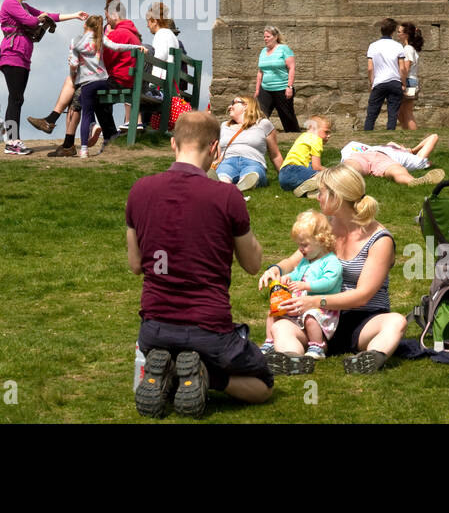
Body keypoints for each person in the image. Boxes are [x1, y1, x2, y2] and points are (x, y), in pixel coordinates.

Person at [127, 111, 274, 417]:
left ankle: (168, 369)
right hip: (209, 328)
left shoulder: (140, 190)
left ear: (172, 144)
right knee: (263, 384)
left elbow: (135, 264)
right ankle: (207, 374)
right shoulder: (227, 196)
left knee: (166, 341)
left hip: (154, 327)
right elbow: (252, 264)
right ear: (215, 149)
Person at [259, 163, 407, 374]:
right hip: (319, 318)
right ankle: (293, 360)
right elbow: (292, 262)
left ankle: (371, 358)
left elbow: (363, 296)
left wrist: (313, 300)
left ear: (337, 197)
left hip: (363, 320)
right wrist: (274, 269)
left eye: (321, 192)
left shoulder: (379, 239)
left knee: (396, 321)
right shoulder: (326, 227)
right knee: (280, 327)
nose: (317, 197)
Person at [0, 0, 87, 155]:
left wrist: (74, 15)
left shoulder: (24, 6)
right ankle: (12, 142)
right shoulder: (10, 3)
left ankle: (13, 140)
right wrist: (39, 19)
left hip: (22, 57)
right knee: (15, 98)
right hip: (12, 55)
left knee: (17, 99)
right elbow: (30, 21)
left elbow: (49, 15)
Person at [260, 211, 342, 363]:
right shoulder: (306, 260)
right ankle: (269, 342)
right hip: (301, 305)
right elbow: (297, 272)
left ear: (321, 240)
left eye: (304, 245)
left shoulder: (331, 261)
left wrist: (306, 285)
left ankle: (318, 345)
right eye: (299, 245)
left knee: (311, 317)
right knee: (274, 311)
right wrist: (287, 278)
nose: (301, 249)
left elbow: (329, 282)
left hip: (321, 308)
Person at [77, 0, 141, 156]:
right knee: (96, 92)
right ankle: (109, 135)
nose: (107, 21)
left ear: (113, 14)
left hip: (121, 80)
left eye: (107, 17)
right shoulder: (133, 33)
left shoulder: (119, 33)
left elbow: (105, 59)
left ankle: (109, 136)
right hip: (131, 80)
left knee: (87, 95)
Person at [41, 16, 106, 157]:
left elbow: (75, 66)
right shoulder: (102, 40)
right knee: (72, 86)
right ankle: (63, 134)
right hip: (102, 80)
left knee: (74, 92)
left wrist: (73, 68)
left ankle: (71, 131)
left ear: (85, 26)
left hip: (94, 82)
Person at [214, 96, 284, 191]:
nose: (229, 106)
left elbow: (275, 155)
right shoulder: (224, 125)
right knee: (223, 174)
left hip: (253, 162)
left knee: (252, 174)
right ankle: (223, 183)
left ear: (245, 106)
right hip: (228, 161)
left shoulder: (263, 124)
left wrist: (284, 176)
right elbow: (219, 153)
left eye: (233, 103)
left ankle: (244, 183)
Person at [339, 136, 445, 187]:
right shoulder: (391, 146)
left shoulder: (414, 159)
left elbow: (434, 137)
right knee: (351, 166)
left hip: (385, 160)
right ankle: (333, 180)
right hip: (364, 154)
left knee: (397, 170)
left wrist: (412, 151)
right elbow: (391, 142)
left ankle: (413, 182)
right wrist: (406, 148)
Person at [364, 18, 407, 131]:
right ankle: (390, 133)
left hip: (379, 82)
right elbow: (402, 68)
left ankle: (367, 133)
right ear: (393, 31)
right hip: (394, 81)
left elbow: (370, 68)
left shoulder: (373, 46)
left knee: (372, 112)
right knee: (393, 112)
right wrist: (403, 83)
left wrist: (372, 82)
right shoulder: (398, 46)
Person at [256, 26, 301, 133]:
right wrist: (257, 90)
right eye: (264, 37)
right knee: (260, 115)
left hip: (282, 88)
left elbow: (292, 68)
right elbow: (260, 71)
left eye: (268, 36)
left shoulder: (284, 49)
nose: (265, 39)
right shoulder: (263, 51)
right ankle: (260, 134)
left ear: (275, 37)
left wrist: (289, 86)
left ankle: (293, 135)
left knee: (287, 115)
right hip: (266, 89)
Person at [277, 115, 331, 197]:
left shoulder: (303, 136)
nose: (329, 135)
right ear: (313, 129)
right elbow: (316, 166)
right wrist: (330, 171)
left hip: (283, 177)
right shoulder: (316, 139)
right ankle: (313, 184)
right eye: (326, 132)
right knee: (326, 176)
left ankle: (308, 191)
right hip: (297, 171)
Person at [397, 22, 423, 130]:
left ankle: (413, 134)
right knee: (401, 112)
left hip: (408, 81)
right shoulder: (409, 48)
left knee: (407, 112)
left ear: (406, 34)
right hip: (410, 81)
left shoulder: (407, 49)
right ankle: (407, 133)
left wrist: (402, 83)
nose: (398, 34)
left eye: (399, 32)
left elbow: (406, 69)